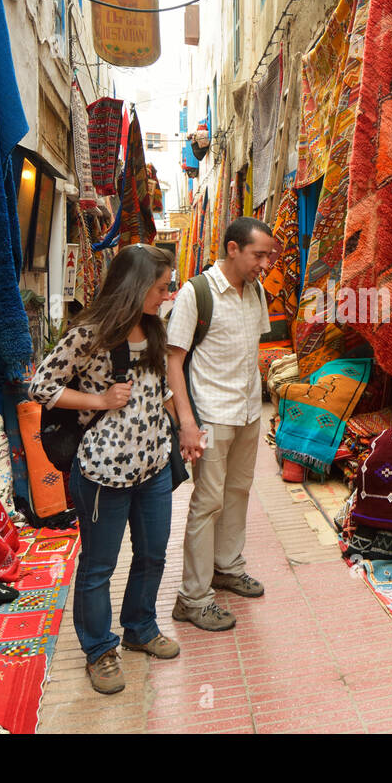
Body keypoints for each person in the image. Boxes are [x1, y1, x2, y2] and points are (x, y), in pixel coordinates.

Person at [28, 243, 184, 695]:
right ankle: (99, 649)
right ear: (134, 287)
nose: (165, 294)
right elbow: (40, 386)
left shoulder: (155, 328)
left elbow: (159, 387)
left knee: (153, 553)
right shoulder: (90, 334)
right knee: (99, 566)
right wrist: (99, 400)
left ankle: (139, 627)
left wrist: (182, 425)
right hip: (102, 473)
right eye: (159, 287)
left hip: (152, 466)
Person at [166, 216, 274, 631]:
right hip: (211, 413)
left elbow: (253, 352)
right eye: (258, 255)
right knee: (207, 503)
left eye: (268, 256)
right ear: (233, 248)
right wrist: (187, 423)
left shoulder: (256, 292)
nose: (264, 264)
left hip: (247, 412)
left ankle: (227, 566)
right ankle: (193, 597)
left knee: (238, 492)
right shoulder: (197, 293)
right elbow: (173, 360)